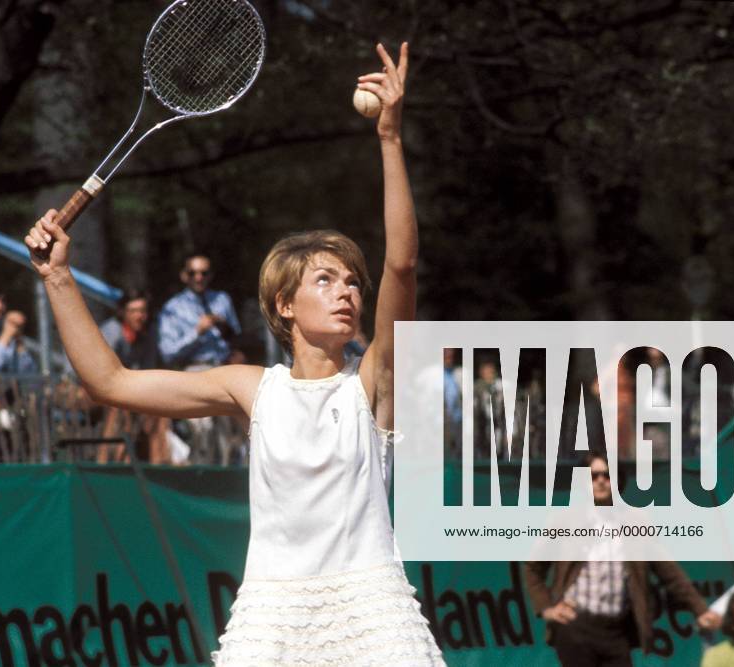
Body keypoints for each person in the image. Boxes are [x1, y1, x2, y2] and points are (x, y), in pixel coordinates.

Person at [24, 43, 444, 665]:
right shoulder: (252, 389)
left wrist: (389, 137)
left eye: (352, 281)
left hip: (374, 614)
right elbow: (111, 382)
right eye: (325, 281)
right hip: (270, 618)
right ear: (282, 305)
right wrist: (59, 278)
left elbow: (402, 263)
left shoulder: (372, 383)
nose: (348, 292)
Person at [524, 452, 722, 666]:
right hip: (576, 625)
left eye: (607, 476)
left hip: (616, 631)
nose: (600, 481)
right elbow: (532, 568)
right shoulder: (564, 521)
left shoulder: (636, 521)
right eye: (593, 476)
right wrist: (547, 609)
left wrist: (700, 609)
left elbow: (669, 572)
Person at [158, 251, 243, 464]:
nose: (199, 277)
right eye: (193, 272)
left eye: (204, 273)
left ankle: (225, 479)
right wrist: (197, 332)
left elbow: (237, 337)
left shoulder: (222, 300)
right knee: (202, 430)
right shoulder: (173, 308)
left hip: (224, 368)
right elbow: (167, 352)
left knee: (227, 433)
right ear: (184, 276)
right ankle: (200, 475)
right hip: (195, 370)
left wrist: (224, 328)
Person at [97, 288, 169, 463]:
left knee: (161, 408)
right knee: (121, 406)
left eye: (142, 311)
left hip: (127, 389)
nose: (139, 316)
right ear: (123, 312)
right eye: (133, 311)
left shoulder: (150, 333)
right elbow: (102, 374)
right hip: (87, 388)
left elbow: (147, 371)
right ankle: (106, 462)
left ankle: (159, 466)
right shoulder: (112, 332)